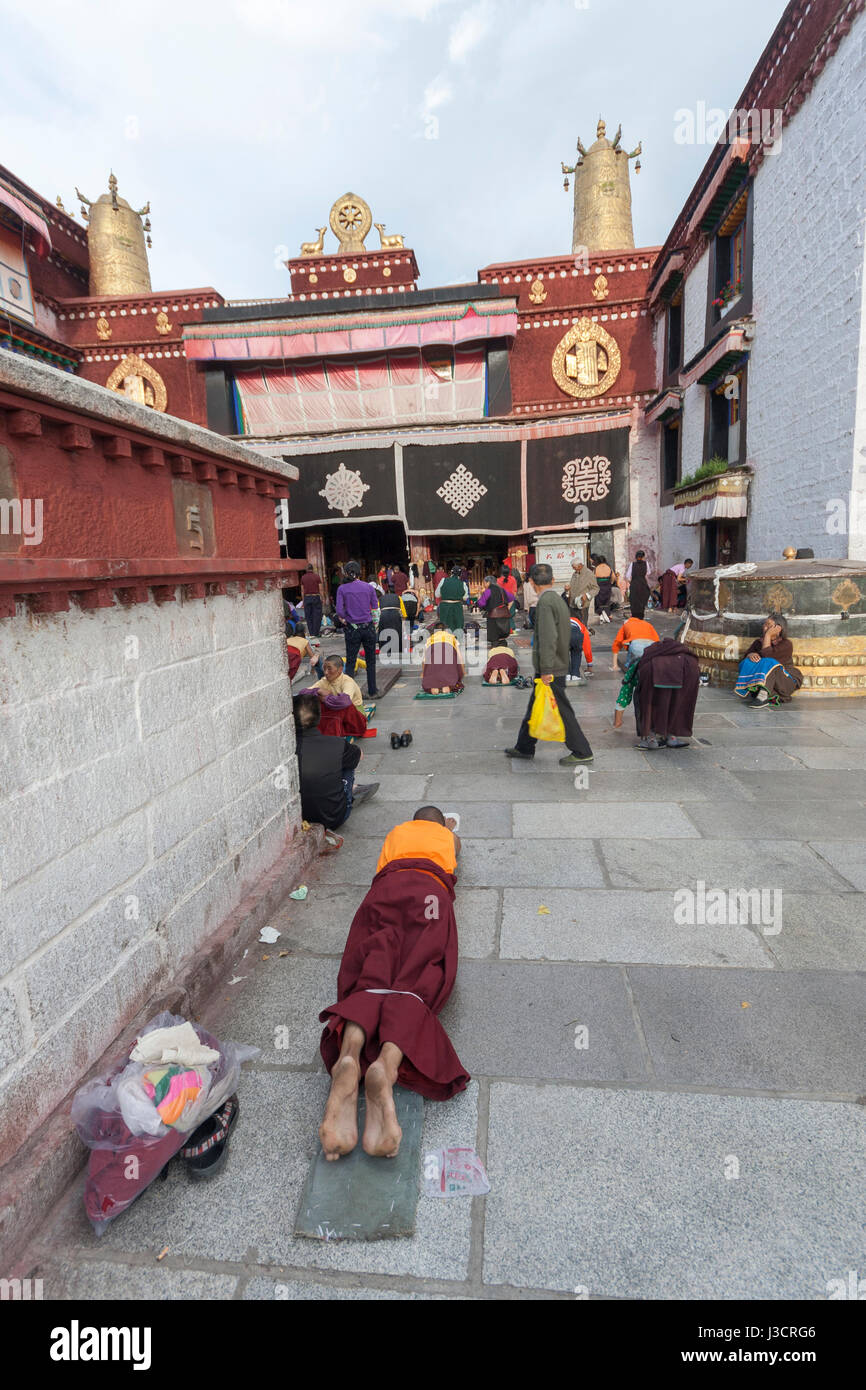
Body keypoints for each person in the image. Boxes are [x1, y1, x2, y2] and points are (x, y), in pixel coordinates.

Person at [317, 807, 469, 1160]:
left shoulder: (396, 833)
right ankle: (386, 1063)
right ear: (440, 823)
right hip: (430, 896)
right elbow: (457, 845)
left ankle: (350, 1053)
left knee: (373, 965)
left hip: (386, 891)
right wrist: (449, 828)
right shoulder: (447, 836)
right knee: (419, 974)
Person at [505, 563, 593, 766]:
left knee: (562, 709)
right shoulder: (558, 599)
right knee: (534, 706)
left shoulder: (544, 603)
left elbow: (547, 638)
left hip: (552, 667)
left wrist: (546, 669)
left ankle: (582, 750)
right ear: (553, 581)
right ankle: (524, 747)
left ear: (531, 582)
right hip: (557, 662)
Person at [294, 693, 378, 829]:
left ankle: (348, 789)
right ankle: (350, 790)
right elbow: (360, 755)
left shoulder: (286, 750)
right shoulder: (337, 743)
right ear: (319, 717)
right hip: (335, 818)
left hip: (299, 818)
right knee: (349, 759)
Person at [633, 638, 700, 749]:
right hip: (688, 672)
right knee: (678, 703)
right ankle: (671, 736)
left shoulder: (650, 656)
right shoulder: (688, 657)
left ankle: (651, 738)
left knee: (649, 704)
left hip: (653, 671)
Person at [734, 614, 803, 706]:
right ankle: (763, 693)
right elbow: (745, 659)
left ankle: (763, 695)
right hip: (768, 683)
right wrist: (750, 655)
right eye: (764, 624)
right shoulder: (758, 643)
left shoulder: (786, 644)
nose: (764, 627)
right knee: (747, 662)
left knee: (768, 661)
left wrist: (768, 636)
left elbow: (767, 656)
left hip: (785, 682)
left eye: (768, 625)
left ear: (778, 628)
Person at [337, 561, 381, 697]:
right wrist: (374, 624)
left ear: (345, 573)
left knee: (350, 661)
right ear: (359, 572)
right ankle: (372, 690)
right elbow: (375, 608)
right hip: (368, 627)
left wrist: (345, 618)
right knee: (371, 661)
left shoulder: (342, 589)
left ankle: (349, 694)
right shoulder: (368, 587)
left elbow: (339, 610)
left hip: (352, 628)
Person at [421, 626, 465, 693]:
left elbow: (424, 660)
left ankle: (434, 687)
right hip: (449, 658)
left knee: (430, 682)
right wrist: (462, 671)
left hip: (433, 665)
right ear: (446, 631)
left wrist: (424, 674)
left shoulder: (430, 639)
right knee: (450, 675)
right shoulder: (451, 637)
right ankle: (448, 686)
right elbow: (460, 658)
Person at [478, 572, 512, 644]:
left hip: (493, 617)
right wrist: (507, 608)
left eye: (484, 583)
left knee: (494, 638)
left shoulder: (488, 591)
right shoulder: (502, 590)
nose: (484, 585)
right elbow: (512, 598)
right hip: (504, 615)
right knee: (502, 637)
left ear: (488, 582)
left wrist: (480, 595)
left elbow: (481, 603)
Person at [436, 565, 468, 633]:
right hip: (457, 607)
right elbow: (465, 598)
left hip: (445, 607)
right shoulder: (463, 584)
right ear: (460, 574)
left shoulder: (443, 580)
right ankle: (457, 641)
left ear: (451, 572)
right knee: (457, 625)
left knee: (445, 625)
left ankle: (446, 640)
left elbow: (437, 594)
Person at [568, 560, 599, 629]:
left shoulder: (589, 574)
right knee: (573, 625)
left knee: (582, 626)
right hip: (572, 604)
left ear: (580, 566)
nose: (573, 569)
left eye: (574, 567)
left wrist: (587, 595)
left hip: (582, 604)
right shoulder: (575, 573)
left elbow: (596, 588)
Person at [378, 588, 406, 658]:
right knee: (397, 632)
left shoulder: (381, 598)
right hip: (395, 615)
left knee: (383, 633)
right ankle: (398, 651)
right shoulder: (398, 597)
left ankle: (385, 652)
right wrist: (403, 622)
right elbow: (403, 612)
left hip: (383, 615)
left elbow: (377, 610)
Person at [568, 611, 592, 684]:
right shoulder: (582, 626)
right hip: (577, 634)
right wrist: (589, 665)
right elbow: (587, 647)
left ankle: (566, 675)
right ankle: (575, 675)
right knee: (576, 653)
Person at [626, 551, 651, 619]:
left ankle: (634, 616)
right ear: (643, 557)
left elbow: (628, 576)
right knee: (642, 600)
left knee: (634, 600)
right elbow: (648, 573)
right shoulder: (646, 564)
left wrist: (632, 582)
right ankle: (640, 616)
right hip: (642, 583)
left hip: (634, 584)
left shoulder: (632, 564)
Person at [300, 565, 324, 637]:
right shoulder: (317, 576)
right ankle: (316, 633)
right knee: (317, 615)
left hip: (307, 598)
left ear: (306, 569)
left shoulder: (303, 577)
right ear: (312, 569)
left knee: (308, 616)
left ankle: (311, 633)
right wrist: (322, 598)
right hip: (315, 597)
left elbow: (302, 590)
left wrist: (303, 600)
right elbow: (321, 589)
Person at [592, 556, 617, 624]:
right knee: (606, 601)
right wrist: (611, 583)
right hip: (607, 585)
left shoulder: (596, 568)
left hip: (599, 585)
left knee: (599, 601)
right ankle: (607, 614)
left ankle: (600, 615)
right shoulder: (609, 568)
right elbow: (614, 578)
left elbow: (593, 578)